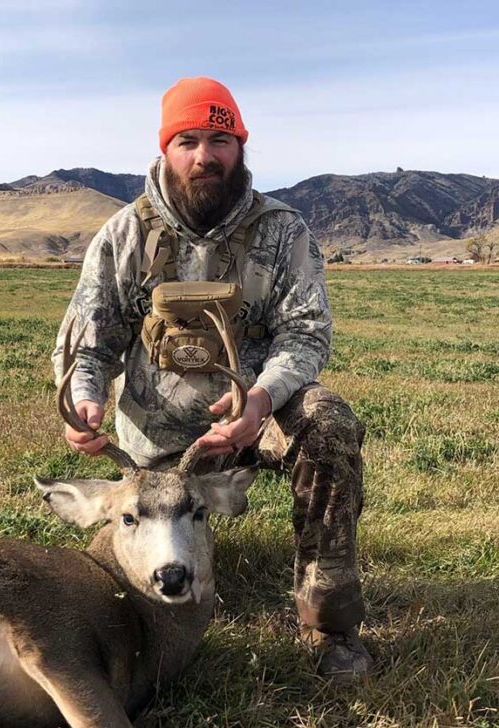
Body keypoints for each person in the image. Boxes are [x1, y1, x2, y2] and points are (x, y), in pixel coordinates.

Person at [52, 76, 371, 680]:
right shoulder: (124, 235)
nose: (205, 156)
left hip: (255, 423)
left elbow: (305, 334)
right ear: (166, 148)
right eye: (189, 140)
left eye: (220, 139)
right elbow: (87, 345)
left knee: (327, 422)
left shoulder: (283, 231)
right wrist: (88, 401)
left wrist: (259, 398)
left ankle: (330, 625)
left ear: (240, 146)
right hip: (155, 445)